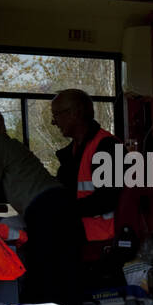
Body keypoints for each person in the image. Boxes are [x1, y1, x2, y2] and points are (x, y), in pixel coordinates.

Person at [0, 102, 83, 305]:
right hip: (56, 201)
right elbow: (6, 194)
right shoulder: (10, 146)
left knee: (44, 260)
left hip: (44, 205)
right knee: (59, 259)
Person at [50, 89, 121, 243]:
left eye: (57, 114)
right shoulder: (72, 152)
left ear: (75, 113)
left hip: (102, 242)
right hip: (79, 238)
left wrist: (63, 209)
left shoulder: (107, 147)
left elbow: (107, 200)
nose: (53, 122)